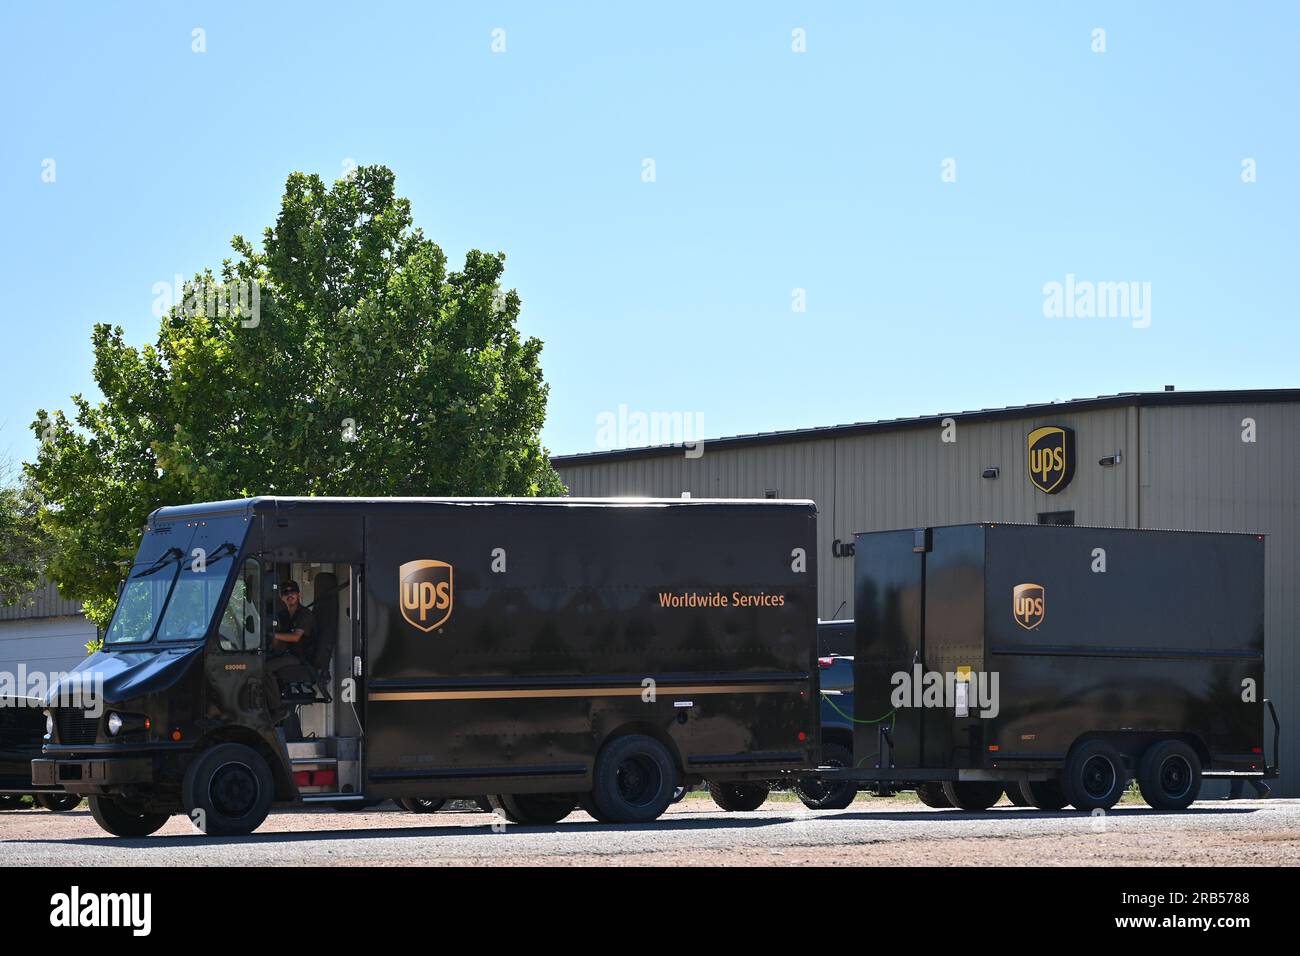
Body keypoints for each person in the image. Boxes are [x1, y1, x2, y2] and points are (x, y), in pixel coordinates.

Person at [264, 581, 318, 715]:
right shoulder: (283, 615)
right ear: (281, 597)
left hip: (300, 657)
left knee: (265, 669)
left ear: (299, 594)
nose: (289, 595)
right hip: (287, 654)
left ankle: (277, 709)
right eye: (285, 593)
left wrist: (274, 635)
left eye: (292, 591)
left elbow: (295, 637)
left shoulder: (305, 614)